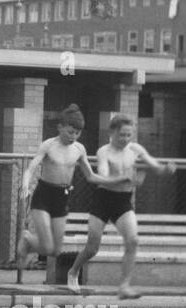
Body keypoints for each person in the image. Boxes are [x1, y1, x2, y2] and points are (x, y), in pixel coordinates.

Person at [66, 115, 176, 297]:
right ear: (112, 133)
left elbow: (154, 165)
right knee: (93, 247)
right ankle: (73, 271)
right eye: (121, 135)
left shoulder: (135, 149)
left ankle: (124, 286)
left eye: (128, 135)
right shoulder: (104, 151)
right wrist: (123, 178)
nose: (125, 139)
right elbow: (103, 176)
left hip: (123, 201)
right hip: (103, 199)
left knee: (133, 241)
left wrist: (165, 169)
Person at [14, 105, 106, 281]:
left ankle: (28, 241)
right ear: (60, 127)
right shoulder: (49, 145)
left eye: (77, 133)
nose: (73, 137)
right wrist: (25, 185)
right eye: (70, 132)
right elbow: (31, 168)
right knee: (47, 246)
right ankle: (27, 240)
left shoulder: (79, 149)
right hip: (43, 197)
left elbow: (91, 176)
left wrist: (113, 182)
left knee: (55, 251)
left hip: (61, 198)